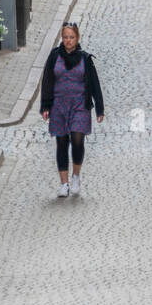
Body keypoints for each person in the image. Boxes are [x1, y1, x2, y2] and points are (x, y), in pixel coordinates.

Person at [40, 21, 104, 198]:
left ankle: (76, 175)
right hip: (58, 105)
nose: (68, 41)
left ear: (77, 38)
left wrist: (100, 109)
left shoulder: (85, 58)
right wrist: (45, 106)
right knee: (61, 142)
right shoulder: (54, 56)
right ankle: (63, 184)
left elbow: (95, 85)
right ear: (62, 38)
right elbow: (47, 81)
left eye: (71, 37)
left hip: (79, 105)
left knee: (77, 140)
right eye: (66, 37)